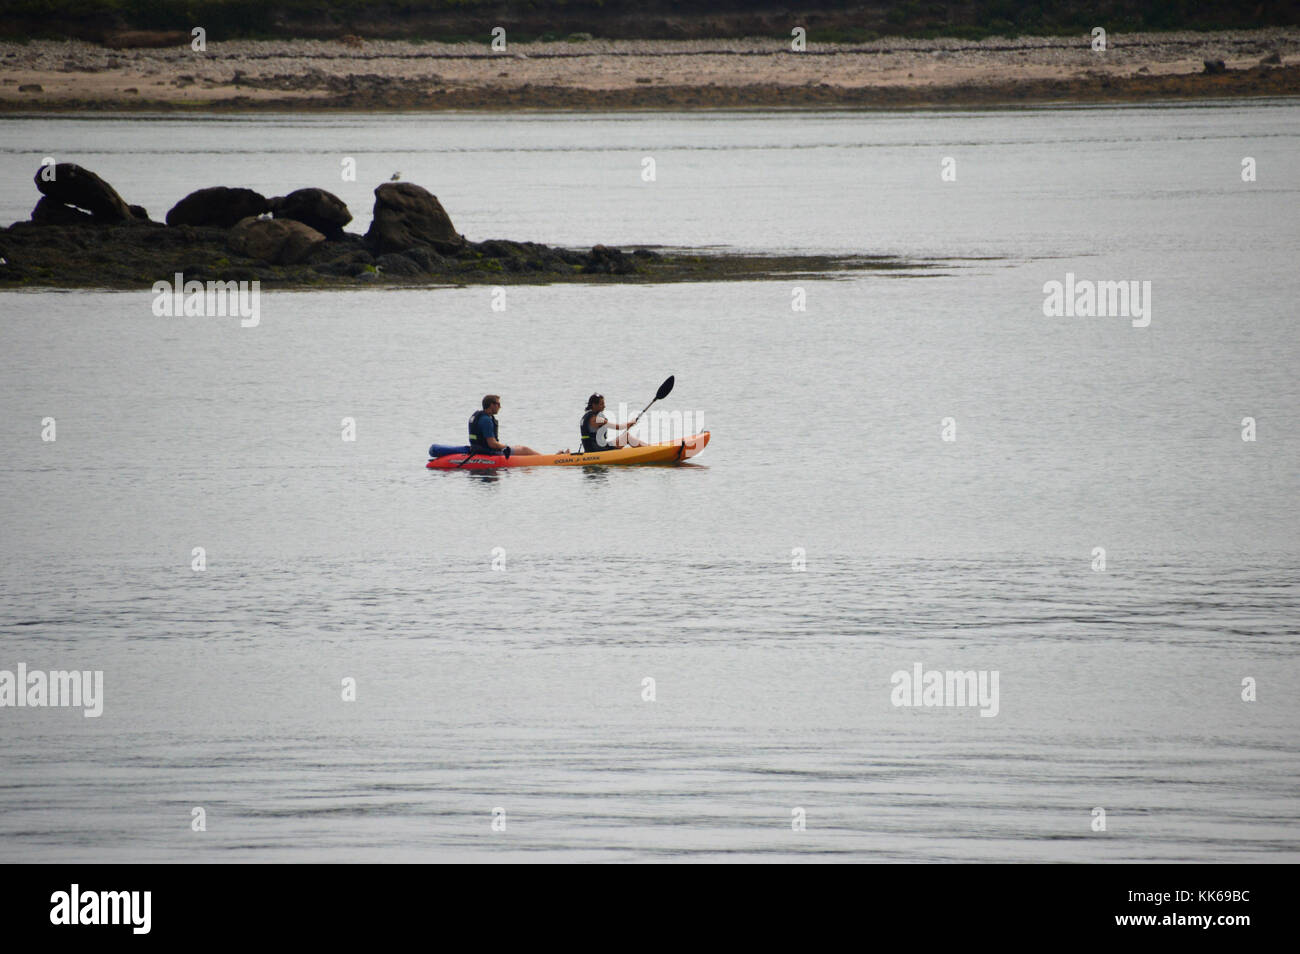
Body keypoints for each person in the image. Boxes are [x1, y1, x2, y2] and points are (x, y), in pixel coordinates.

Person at [468, 394, 539, 457]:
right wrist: (505, 447)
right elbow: (492, 444)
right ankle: (547, 460)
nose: (500, 407)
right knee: (525, 450)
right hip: (487, 452)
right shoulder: (486, 420)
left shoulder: (478, 417)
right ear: (492, 405)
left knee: (518, 447)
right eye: (498, 404)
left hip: (477, 449)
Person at [579, 393, 645, 453]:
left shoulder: (586, 417)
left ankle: (648, 447)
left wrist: (630, 424)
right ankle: (648, 450)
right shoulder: (596, 419)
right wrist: (631, 422)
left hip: (591, 449)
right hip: (598, 449)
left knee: (625, 436)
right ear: (594, 405)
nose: (604, 406)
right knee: (626, 437)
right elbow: (619, 427)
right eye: (601, 404)